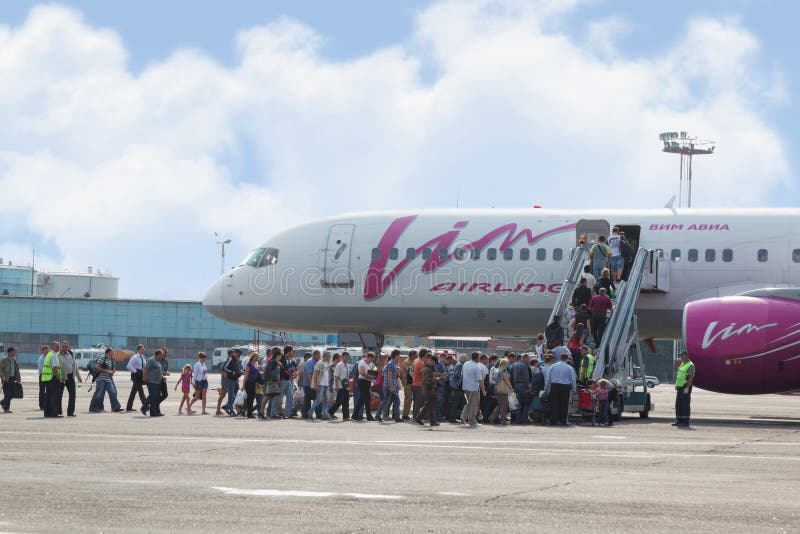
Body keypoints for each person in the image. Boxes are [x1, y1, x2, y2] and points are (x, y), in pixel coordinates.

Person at [545, 352, 577, 426]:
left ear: (560, 358)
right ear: (567, 359)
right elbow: (572, 379)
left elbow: (548, 377)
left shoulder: (553, 366)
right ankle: (563, 421)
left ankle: (553, 421)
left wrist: (546, 387)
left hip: (554, 386)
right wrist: (574, 388)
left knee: (554, 404)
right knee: (564, 404)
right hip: (565, 387)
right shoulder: (569, 367)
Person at [90, 347, 122, 413]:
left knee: (113, 392)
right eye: (112, 352)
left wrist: (112, 371)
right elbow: (96, 366)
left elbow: (111, 368)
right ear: (109, 352)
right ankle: (94, 408)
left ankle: (115, 407)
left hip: (108, 379)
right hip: (101, 379)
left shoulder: (111, 359)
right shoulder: (102, 358)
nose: (114, 353)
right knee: (98, 394)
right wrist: (106, 371)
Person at [414, 353, 439, 427]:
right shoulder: (426, 369)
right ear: (430, 360)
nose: (434, 363)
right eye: (434, 362)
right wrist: (435, 380)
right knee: (430, 406)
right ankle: (432, 421)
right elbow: (425, 381)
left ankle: (418, 418)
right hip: (427, 390)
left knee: (428, 405)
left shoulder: (430, 368)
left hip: (430, 389)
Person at [460, 352, 485, 427]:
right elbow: (480, 380)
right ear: (477, 358)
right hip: (474, 387)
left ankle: (463, 416)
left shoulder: (466, 364)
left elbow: (462, 374)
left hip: (465, 386)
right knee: (474, 405)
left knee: (468, 403)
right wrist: (483, 390)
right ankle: (472, 421)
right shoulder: (476, 367)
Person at [57, 341, 81, 417]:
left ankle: (71, 412)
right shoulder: (57, 355)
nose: (64, 348)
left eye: (66, 346)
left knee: (73, 395)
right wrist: (59, 377)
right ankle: (59, 412)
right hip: (62, 377)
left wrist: (78, 376)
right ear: (61, 347)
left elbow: (75, 365)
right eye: (63, 346)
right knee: (59, 395)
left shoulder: (71, 354)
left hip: (71, 376)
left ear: (68, 347)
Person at [377, 349, 401, 423]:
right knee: (385, 401)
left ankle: (397, 417)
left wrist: (397, 372)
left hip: (393, 386)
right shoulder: (391, 364)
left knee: (396, 401)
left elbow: (393, 375)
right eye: (399, 355)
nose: (399, 356)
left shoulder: (393, 364)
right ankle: (378, 415)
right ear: (396, 355)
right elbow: (389, 376)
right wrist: (391, 387)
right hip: (389, 387)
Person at [673, 350, 695, 428]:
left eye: (682, 356)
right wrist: (677, 385)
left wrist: (687, 388)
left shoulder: (690, 365)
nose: (681, 357)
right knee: (678, 404)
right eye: (680, 356)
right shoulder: (682, 364)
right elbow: (680, 375)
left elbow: (690, 378)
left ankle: (685, 422)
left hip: (685, 387)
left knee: (685, 405)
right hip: (680, 387)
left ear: (686, 356)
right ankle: (679, 421)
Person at [352, 352, 376, 421]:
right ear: (368, 357)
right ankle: (369, 416)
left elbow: (375, 367)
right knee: (367, 399)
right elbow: (362, 373)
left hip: (368, 382)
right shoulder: (362, 363)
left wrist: (374, 370)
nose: (371, 361)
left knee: (362, 399)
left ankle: (355, 415)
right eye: (371, 359)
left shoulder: (370, 363)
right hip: (362, 382)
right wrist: (371, 376)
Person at [272, 346, 295, 419]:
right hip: (282, 380)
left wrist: (293, 373)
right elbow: (280, 369)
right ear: (288, 351)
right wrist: (278, 380)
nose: (293, 352)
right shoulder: (281, 358)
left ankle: (288, 413)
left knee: (290, 396)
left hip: (288, 380)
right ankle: (274, 413)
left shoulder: (289, 359)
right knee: (279, 397)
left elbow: (288, 369)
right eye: (292, 351)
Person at [263, 348, 285, 419]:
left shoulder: (276, 362)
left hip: (274, 381)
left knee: (267, 397)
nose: (281, 357)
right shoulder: (273, 362)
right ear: (277, 356)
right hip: (272, 382)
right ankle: (281, 413)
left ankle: (261, 412)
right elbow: (267, 371)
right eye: (280, 355)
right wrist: (269, 379)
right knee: (276, 397)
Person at [488, 358, 512, 424]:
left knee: (500, 404)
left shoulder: (498, 370)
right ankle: (503, 420)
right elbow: (506, 380)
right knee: (504, 405)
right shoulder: (504, 371)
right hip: (502, 388)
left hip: (497, 387)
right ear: (505, 364)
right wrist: (511, 387)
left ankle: (492, 417)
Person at [329, 351, 351, 420]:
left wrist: (349, 386)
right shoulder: (339, 365)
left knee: (346, 401)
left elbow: (347, 376)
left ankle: (346, 416)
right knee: (339, 401)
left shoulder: (347, 365)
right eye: (346, 357)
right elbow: (336, 376)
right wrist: (336, 386)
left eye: (348, 357)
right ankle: (330, 412)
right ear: (342, 357)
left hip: (346, 385)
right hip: (340, 386)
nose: (347, 358)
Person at [42, 341, 62, 417]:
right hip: (53, 378)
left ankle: (47, 413)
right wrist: (57, 377)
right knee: (54, 396)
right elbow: (54, 368)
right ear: (52, 347)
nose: (58, 348)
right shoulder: (53, 355)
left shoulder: (49, 354)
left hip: (47, 379)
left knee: (48, 396)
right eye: (56, 346)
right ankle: (54, 413)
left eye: (58, 346)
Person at [511, 353, 532, 424]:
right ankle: (524, 419)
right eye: (528, 358)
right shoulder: (525, 365)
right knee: (526, 403)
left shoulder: (514, 364)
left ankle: (518, 419)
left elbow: (512, 376)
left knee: (518, 403)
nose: (529, 360)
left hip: (516, 385)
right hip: (523, 385)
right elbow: (526, 378)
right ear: (525, 358)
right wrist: (528, 387)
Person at [143, 349, 165, 417]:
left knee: (155, 397)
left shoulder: (158, 361)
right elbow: (145, 368)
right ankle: (152, 412)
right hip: (151, 381)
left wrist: (163, 376)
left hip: (157, 382)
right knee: (153, 396)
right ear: (158, 355)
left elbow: (159, 371)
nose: (162, 357)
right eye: (161, 355)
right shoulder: (151, 360)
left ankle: (144, 408)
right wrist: (144, 377)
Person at [310, 352, 332, 421]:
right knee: (318, 400)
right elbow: (315, 374)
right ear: (325, 356)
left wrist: (328, 381)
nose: (329, 357)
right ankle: (310, 413)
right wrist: (315, 384)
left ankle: (324, 415)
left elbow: (326, 373)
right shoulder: (319, 363)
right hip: (320, 384)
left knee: (327, 400)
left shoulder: (326, 363)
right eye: (329, 356)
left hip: (326, 385)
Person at [125, 345, 147, 412]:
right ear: (138, 350)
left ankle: (129, 407)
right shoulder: (134, 357)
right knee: (140, 391)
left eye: (143, 349)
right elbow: (128, 366)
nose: (143, 350)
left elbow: (145, 366)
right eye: (141, 349)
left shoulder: (143, 357)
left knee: (133, 392)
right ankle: (145, 406)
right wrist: (136, 371)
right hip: (136, 375)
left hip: (141, 375)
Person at [221, 348, 242, 416]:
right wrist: (231, 372)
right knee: (231, 395)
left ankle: (227, 406)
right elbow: (224, 368)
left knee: (237, 394)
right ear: (234, 353)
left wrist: (239, 372)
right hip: (230, 379)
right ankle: (231, 411)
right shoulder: (230, 359)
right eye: (238, 355)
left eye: (239, 355)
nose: (238, 356)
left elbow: (236, 369)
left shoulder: (236, 360)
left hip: (235, 379)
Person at [0, 346, 20, 413]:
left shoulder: (14, 359)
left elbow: (17, 369)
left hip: (13, 379)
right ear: (9, 352)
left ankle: (2, 403)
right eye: (13, 351)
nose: (14, 353)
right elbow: (0, 369)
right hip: (6, 379)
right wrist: (3, 376)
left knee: (12, 394)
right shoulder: (4, 359)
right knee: (7, 394)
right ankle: (6, 409)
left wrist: (18, 378)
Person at [301, 350, 320, 419]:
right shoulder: (310, 362)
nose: (319, 357)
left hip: (313, 384)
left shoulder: (316, 362)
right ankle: (306, 414)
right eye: (318, 356)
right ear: (314, 355)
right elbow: (308, 374)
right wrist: (312, 384)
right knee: (308, 400)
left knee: (313, 399)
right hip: (308, 385)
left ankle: (309, 414)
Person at [242, 352, 260, 418]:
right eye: (256, 357)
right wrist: (243, 385)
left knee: (252, 398)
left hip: (253, 383)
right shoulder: (248, 365)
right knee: (249, 398)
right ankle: (249, 413)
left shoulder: (255, 364)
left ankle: (249, 412)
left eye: (258, 357)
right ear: (252, 357)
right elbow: (246, 376)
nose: (257, 358)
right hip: (248, 383)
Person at [399, 350, 416, 420]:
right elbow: (412, 371)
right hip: (407, 383)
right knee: (408, 398)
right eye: (415, 355)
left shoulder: (411, 361)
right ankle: (405, 414)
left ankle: (406, 414)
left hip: (409, 382)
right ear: (411, 355)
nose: (415, 357)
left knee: (409, 399)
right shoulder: (407, 362)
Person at [412, 348, 427, 418]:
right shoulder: (421, 363)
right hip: (419, 384)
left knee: (418, 401)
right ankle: (416, 416)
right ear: (424, 355)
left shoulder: (417, 361)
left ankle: (416, 415)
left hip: (416, 383)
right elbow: (422, 373)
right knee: (419, 401)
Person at [37, 345, 47, 410]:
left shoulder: (48, 357)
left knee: (47, 390)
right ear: (42, 351)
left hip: (47, 376)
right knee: (42, 391)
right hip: (42, 376)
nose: (47, 351)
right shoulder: (41, 359)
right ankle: (41, 405)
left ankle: (45, 403)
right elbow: (41, 369)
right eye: (45, 350)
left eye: (47, 350)